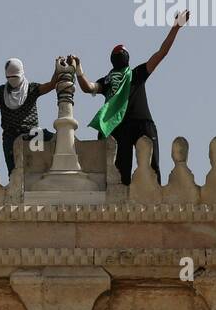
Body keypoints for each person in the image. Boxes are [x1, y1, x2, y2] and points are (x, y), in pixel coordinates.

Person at [76, 11, 189, 186]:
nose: (120, 54)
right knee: (121, 175)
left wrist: (175, 28)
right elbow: (88, 87)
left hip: (141, 123)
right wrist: (78, 70)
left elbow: (161, 53)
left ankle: (154, 201)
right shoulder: (108, 80)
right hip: (120, 127)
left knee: (152, 168)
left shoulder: (136, 74)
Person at [0, 58, 63, 175]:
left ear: (22, 74)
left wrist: (57, 69)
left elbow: (52, 84)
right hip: (10, 137)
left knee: (42, 161)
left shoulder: (32, 89)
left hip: (33, 134)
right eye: (9, 78)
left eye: (15, 77)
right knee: (14, 174)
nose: (12, 80)